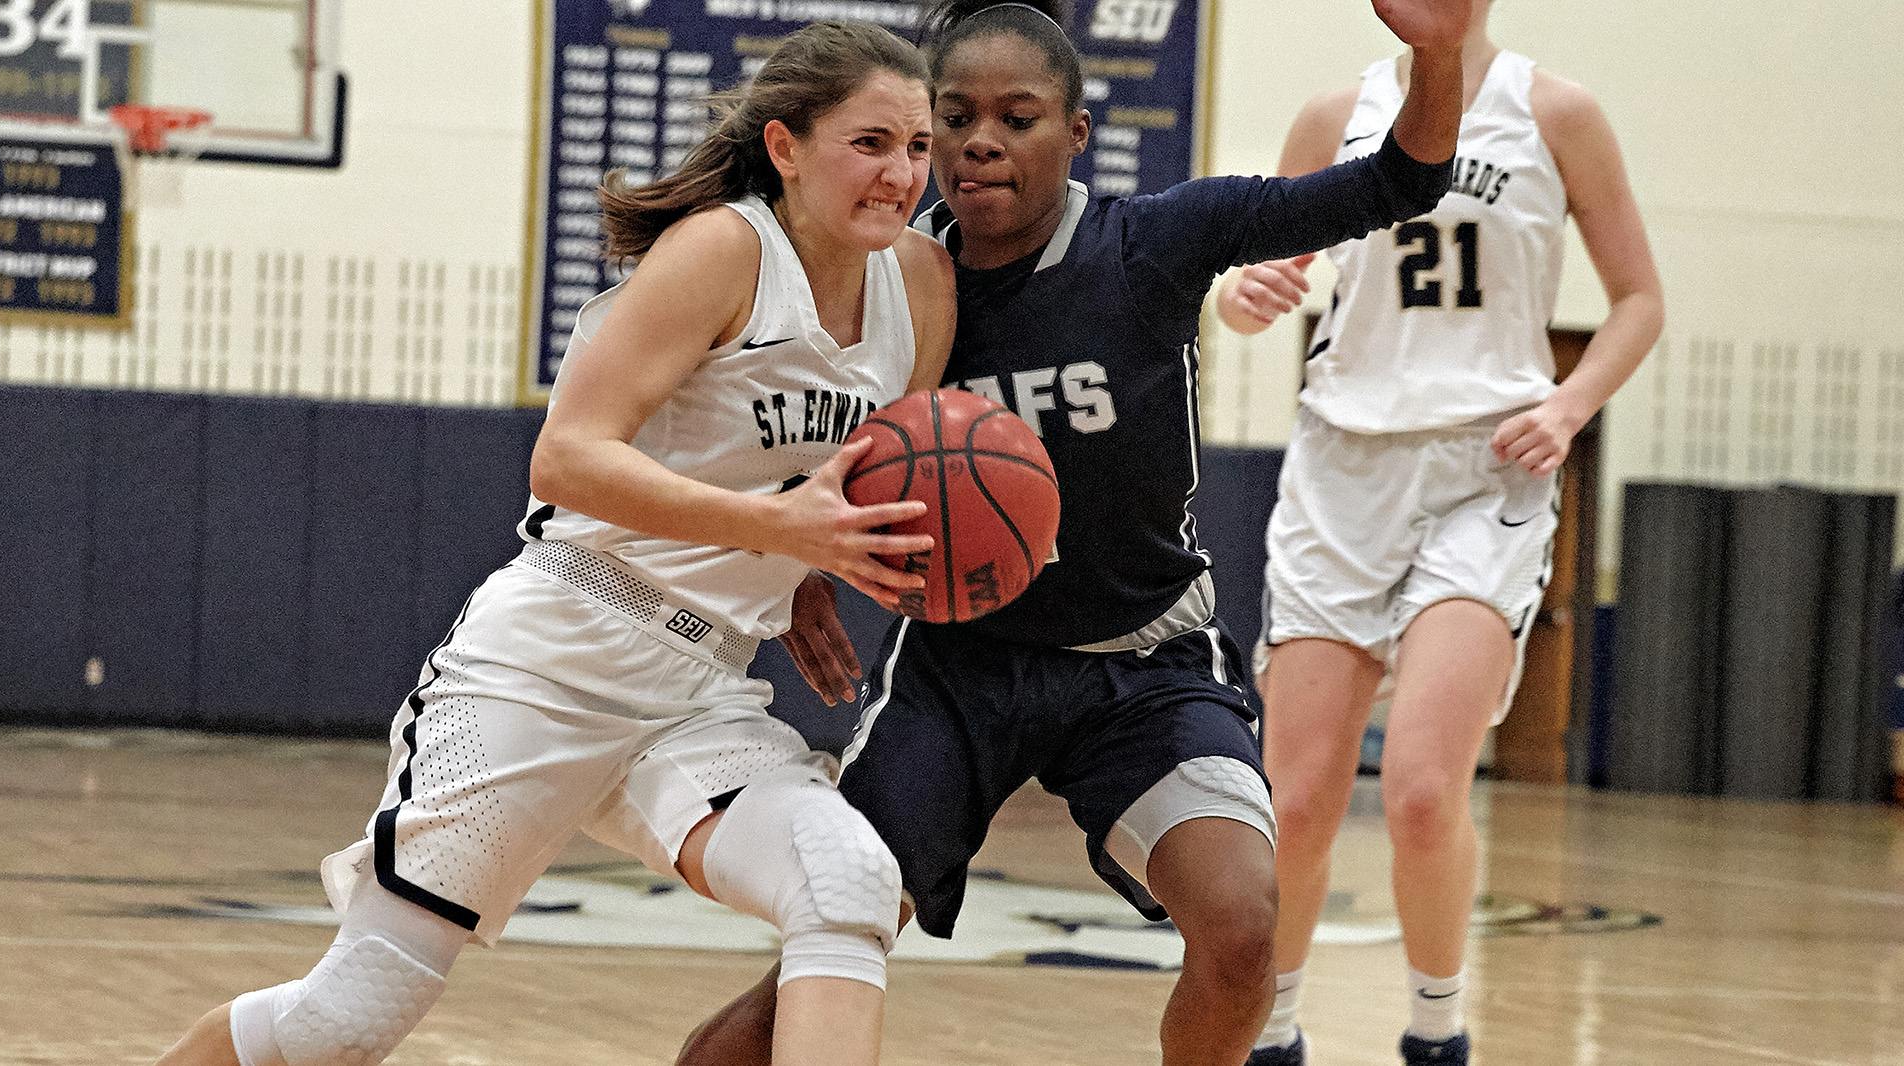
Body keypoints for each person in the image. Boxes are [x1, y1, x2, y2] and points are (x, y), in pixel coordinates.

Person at [676, 2, 1470, 1065]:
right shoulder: (893, 277)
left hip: (1143, 663)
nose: (981, 142)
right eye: (954, 117)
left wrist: (1438, 53)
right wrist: (801, 569)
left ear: (1077, 133)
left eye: (1018, 117)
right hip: (961, 669)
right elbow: (791, 438)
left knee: (1243, 934)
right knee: (832, 943)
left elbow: (1398, 183)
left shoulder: (1152, 244)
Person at [150, 21, 955, 1066]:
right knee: (343, 1021)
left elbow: (863, 470)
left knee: (849, 883)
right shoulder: (724, 251)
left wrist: (807, 574)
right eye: (870, 143)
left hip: (702, 688)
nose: (902, 173)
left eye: (918, 146)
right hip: (555, 656)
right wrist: (776, 529)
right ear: (785, 147)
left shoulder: (922, 287)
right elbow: (567, 458)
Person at [1216, 1, 1664, 1062]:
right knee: (1298, 801)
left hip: (1485, 467)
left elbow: (1640, 300)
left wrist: (1569, 404)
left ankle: (1436, 1031)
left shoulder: (1556, 113)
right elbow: (1247, 293)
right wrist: (1248, 293)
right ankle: (1275, 1037)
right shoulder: (1335, 115)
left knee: (1422, 791)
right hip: (1343, 468)